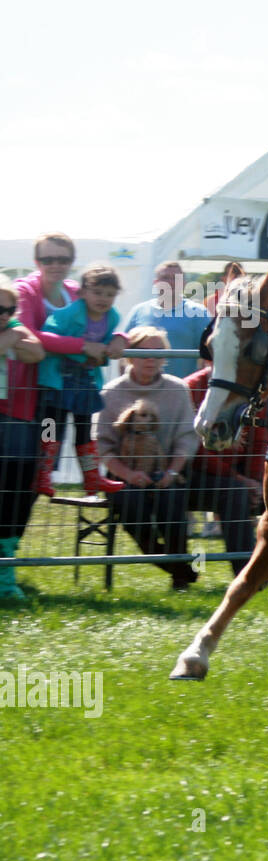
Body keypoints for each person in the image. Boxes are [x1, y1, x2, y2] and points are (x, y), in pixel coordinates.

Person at [3, 234, 78, 598]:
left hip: (54, 407)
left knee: (36, 476)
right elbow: (33, 335)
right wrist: (84, 346)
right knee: (14, 477)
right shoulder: (24, 292)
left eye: (62, 258)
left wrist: (114, 338)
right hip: (21, 403)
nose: (55, 264)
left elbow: (99, 323)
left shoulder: (76, 293)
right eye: (48, 258)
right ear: (37, 261)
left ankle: (9, 551)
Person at [98, 327, 201, 589]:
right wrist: (128, 474)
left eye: (158, 353)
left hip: (168, 470)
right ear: (130, 356)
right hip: (124, 473)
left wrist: (172, 472)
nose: (151, 359)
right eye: (143, 352)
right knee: (132, 508)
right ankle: (177, 566)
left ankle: (181, 580)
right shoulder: (111, 392)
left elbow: (187, 438)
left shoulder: (178, 389)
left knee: (173, 503)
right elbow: (103, 446)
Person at [33, 264, 129, 497]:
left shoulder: (113, 316)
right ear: (83, 292)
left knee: (85, 432)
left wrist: (121, 337)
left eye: (110, 294)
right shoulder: (67, 314)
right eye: (97, 292)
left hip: (85, 382)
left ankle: (92, 478)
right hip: (57, 380)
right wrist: (83, 349)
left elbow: (110, 342)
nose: (103, 299)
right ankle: (42, 477)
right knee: (51, 428)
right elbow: (49, 335)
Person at [184, 365, 266, 576]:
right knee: (235, 493)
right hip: (198, 473)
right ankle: (248, 576)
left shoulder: (254, 390)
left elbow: (259, 441)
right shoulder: (191, 388)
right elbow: (195, 450)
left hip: (241, 475)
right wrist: (241, 481)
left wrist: (256, 482)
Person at [1, 275, 47, 599]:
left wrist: (14, 335)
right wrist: (13, 336)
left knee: (18, 491)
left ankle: (5, 574)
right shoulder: (15, 330)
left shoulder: (16, 327)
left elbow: (37, 353)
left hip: (18, 419)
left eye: (9, 309)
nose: (4, 315)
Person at [122, 261, 211, 379]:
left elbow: (209, 356)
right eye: (165, 278)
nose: (170, 282)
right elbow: (123, 353)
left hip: (182, 392)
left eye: (176, 278)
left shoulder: (199, 313)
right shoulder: (138, 311)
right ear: (155, 283)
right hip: (141, 391)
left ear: (184, 283)